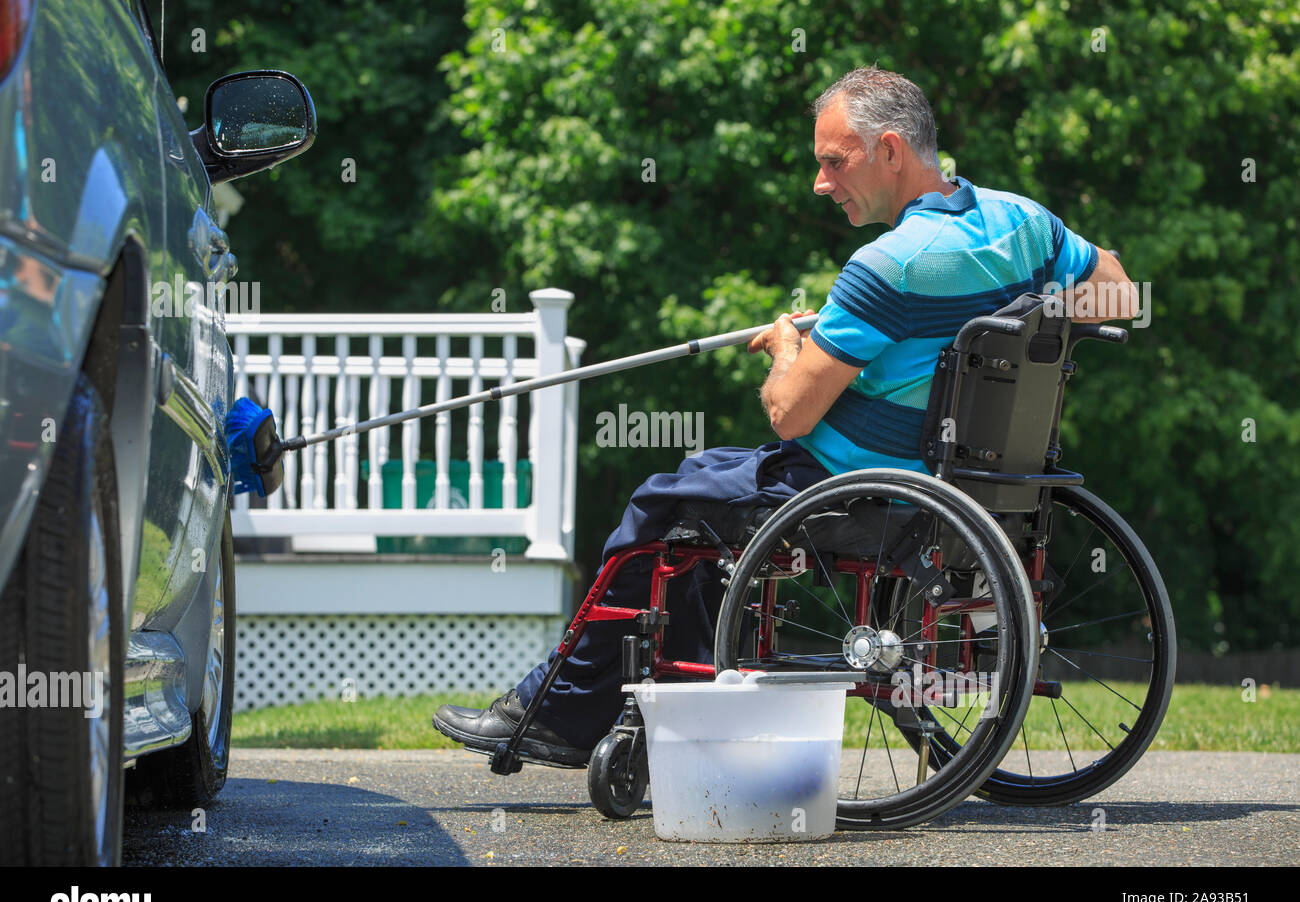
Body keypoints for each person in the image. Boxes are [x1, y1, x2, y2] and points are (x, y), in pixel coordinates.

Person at [432, 65, 1136, 767]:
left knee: (665, 505)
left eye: (834, 161)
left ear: (891, 149)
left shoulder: (886, 267)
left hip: (863, 498)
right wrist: (1012, 314)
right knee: (704, 483)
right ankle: (647, 717)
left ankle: (557, 714)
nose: (821, 183)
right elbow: (1120, 296)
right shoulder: (1026, 224)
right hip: (983, 492)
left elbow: (789, 415)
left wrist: (787, 346)